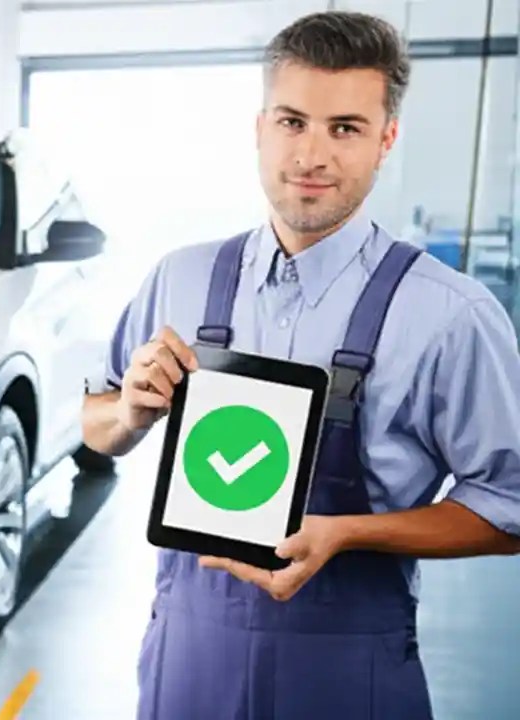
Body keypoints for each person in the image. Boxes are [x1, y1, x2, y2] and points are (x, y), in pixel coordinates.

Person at [81, 10, 520, 719]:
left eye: (344, 128)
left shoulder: (451, 314)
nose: (312, 154)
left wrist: (349, 533)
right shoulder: (180, 278)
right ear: (261, 128)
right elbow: (96, 422)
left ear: (386, 140)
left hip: (349, 674)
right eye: (292, 122)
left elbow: (510, 510)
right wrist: (129, 413)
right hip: (189, 663)